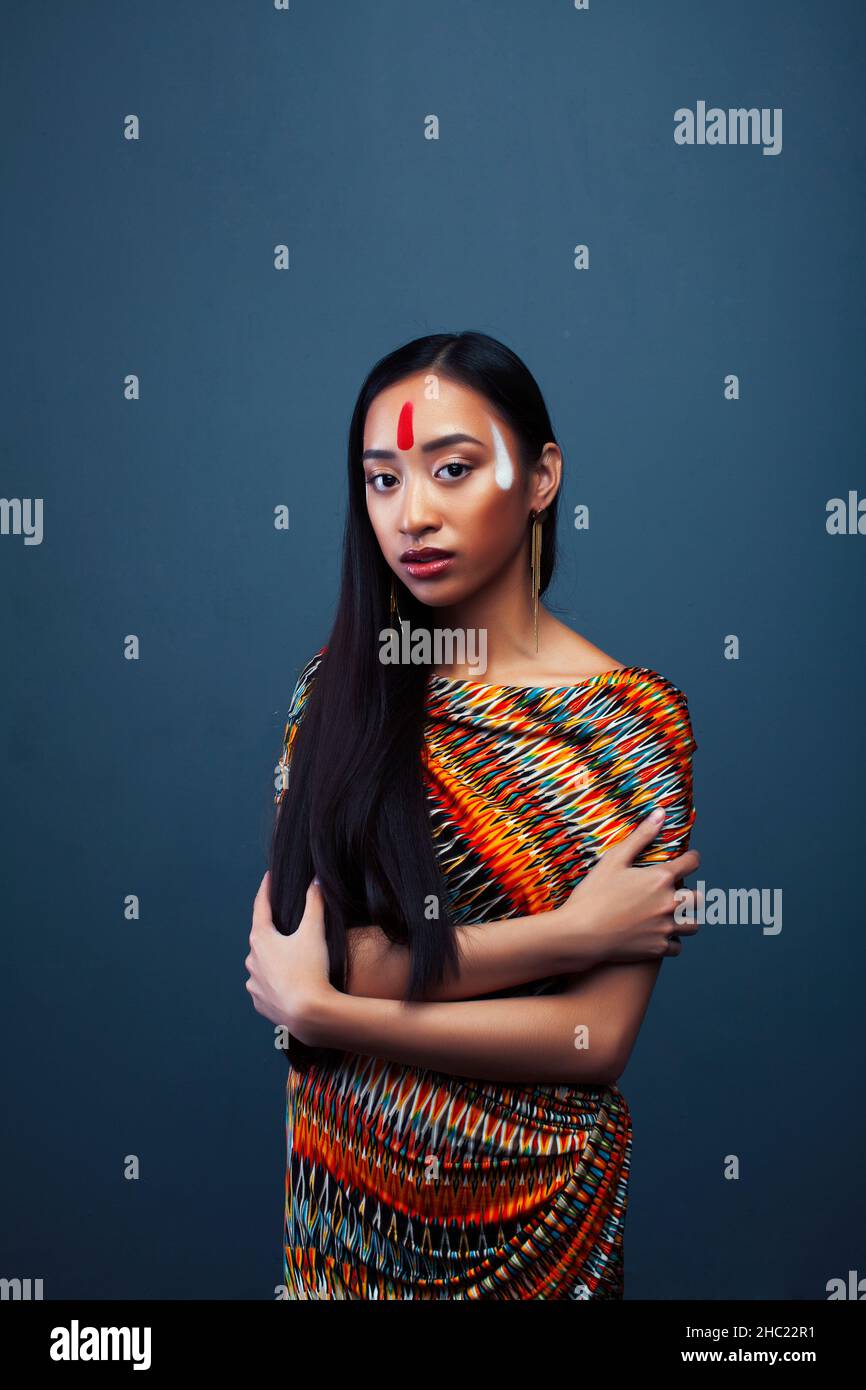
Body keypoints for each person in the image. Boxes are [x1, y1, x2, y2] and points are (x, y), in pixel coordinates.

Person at [244, 330, 701, 1300]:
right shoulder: (335, 696)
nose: (412, 513)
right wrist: (571, 931)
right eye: (380, 480)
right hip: (345, 1225)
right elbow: (314, 959)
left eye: (451, 469)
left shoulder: (628, 726)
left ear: (540, 477)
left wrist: (335, 1005)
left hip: (544, 1230)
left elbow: (592, 1039)